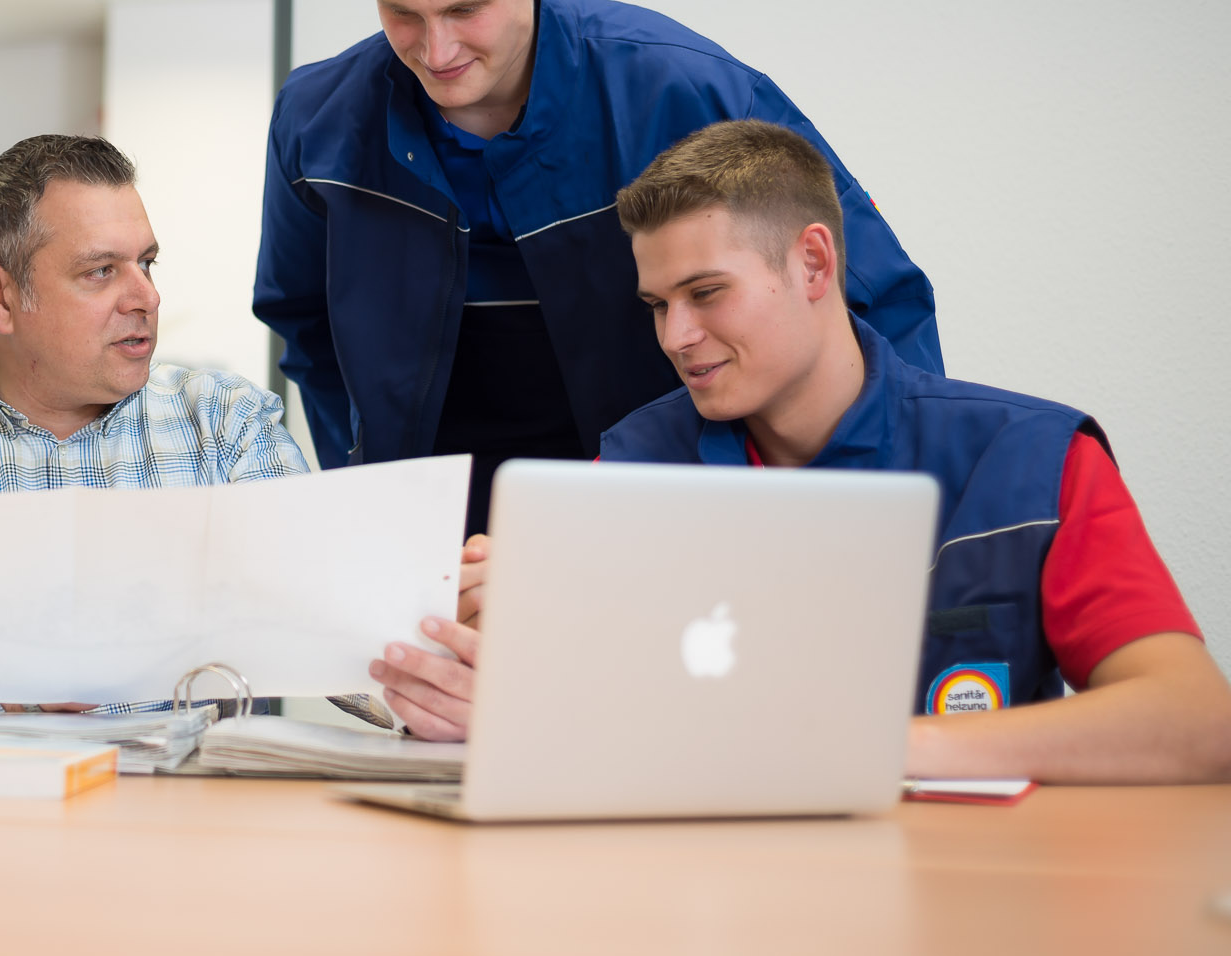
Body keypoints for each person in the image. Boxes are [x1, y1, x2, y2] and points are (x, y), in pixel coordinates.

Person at [369, 121, 1231, 784]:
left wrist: (875, 750)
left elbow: (1196, 722)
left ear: (813, 262)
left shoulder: (1034, 459)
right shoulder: (631, 471)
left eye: (707, 293)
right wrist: (490, 667)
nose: (676, 335)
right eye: (657, 304)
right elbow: (583, 716)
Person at [255, 0, 941, 533]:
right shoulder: (317, 125)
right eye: (401, 11)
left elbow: (879, 300)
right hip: (432, 535)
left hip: (663, 514)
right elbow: (305, 327)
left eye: (465, 8)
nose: (436, 49)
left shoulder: (687, 95)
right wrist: (367, 490)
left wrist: (890, 528)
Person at [0, 134, 309, 722]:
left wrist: (425, 665)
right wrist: (12, 683)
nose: (147, 295)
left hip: (190, 804)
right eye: (101, 271)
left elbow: (327, 611)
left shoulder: (227, 422)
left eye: (146, 263)